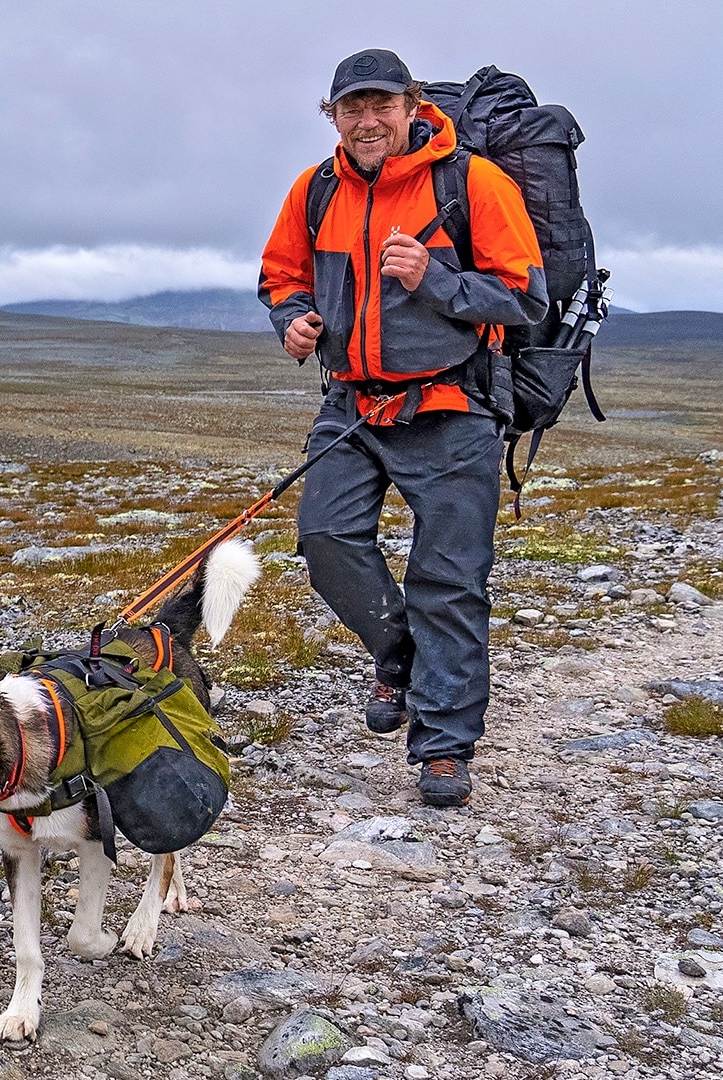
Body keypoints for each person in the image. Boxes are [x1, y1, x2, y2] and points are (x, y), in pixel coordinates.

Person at [258, 49, 548, 807]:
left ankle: (445, 749)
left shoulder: (472, 184)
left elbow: (526, 301)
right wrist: (294, 320)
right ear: (333, 117)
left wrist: (434, 278)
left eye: (381, 105)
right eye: (351, 109)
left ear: (413, 105)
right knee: (325, 540)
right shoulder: (316, 191)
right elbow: (280, 276)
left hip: (453, 406)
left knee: (447, 581)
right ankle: (400, 656)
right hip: (354, 404)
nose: (367, 121)